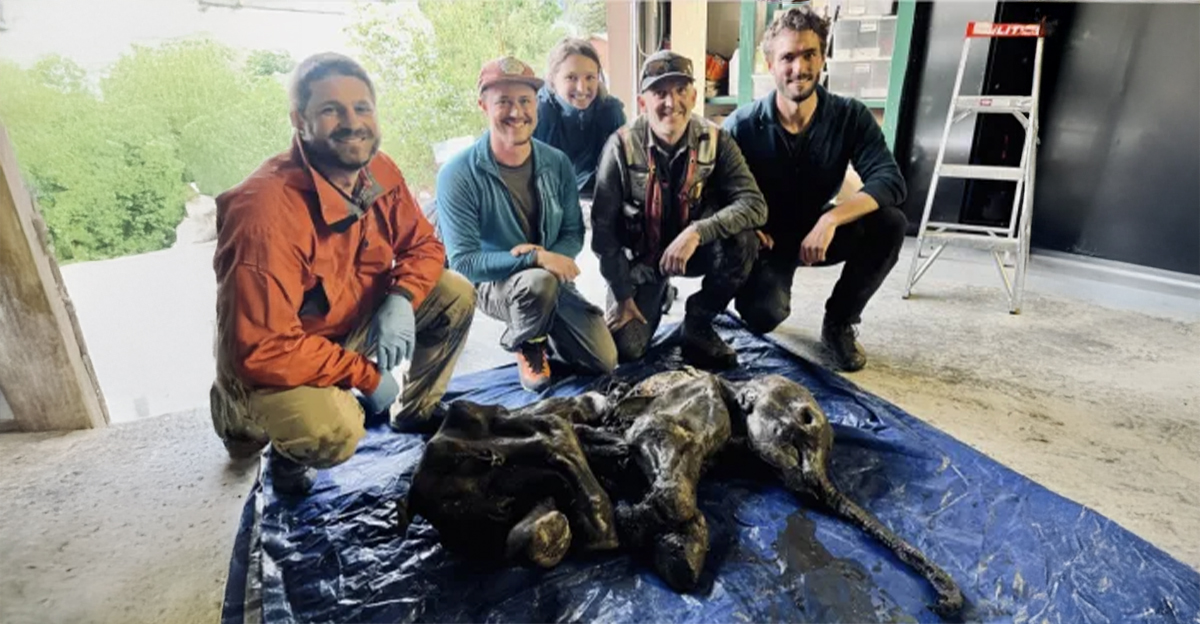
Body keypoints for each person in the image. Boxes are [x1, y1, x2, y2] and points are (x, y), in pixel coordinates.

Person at [209, 52, 476, 495]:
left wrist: (402, 297)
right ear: (300, 120)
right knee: (333, 429)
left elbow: (424, 245)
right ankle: (260, 432)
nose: (352, 123)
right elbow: (264, 349)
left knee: (454, 293)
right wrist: (365, 376)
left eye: (362, 108)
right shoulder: (264, 213)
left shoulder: (379, 172)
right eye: (331, 110)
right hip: (276, 356)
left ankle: (416, 408)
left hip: (349, 322)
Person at [723, 6, 908, 372]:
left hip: (819, 231)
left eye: (809, 54)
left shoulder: (849, 116)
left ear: (823, 57)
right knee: (762, 316)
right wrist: (744, 225)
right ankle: (756, 289)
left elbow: (890, 180)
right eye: (788, 57)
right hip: (766, 240)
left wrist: (832, 220)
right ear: (770, 62)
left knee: (890, 223)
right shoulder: (741, 125)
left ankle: (839, 320)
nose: (799, 68)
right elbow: (714, 189)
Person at [436, 56, 618, 393]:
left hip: (546, 277)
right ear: (483, 105)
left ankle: (542, 318)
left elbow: (572, 232)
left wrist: (550, 260)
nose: (516, 112)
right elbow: (464, 262)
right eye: (503, 101)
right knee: (536, 284)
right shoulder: (457, 174)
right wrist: (535, 259)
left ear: (536, 103)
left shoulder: (556, 162)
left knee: (603, 360)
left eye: (524, 100)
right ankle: (528, 341)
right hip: (493, 281)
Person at [591, 50, 767, 370]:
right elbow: (603, 235)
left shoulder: (716, 140)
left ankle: (698, 322)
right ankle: (657, 293)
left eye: (680, 90)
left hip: (694, 251)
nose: (671, 103)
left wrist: (698, 231)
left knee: (744, 239)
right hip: (640, 262)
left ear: (694, 95)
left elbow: (754, 204)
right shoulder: (619, 147)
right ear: (643, 102)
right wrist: (621, 294)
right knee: (627, 349)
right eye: (660, 93)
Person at [533, 37, 627, 200]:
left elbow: (624, 172)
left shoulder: (611, 112)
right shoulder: (539, 114)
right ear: (553, 80)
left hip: (599, 199)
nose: (582, 88)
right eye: (571, 77)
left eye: (590, 77)